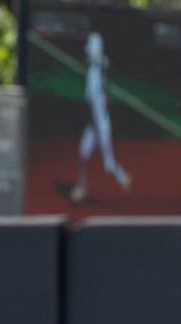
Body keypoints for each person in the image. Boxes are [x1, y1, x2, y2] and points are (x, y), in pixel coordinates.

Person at [68, 32, 131, 204]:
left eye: (91, 47)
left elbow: (105, 65)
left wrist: (99, 60)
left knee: (108, 164)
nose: (88, 50)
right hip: (92, 123)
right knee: (83, 154)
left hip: (101, 123)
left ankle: (123, 177)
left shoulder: (101, 66)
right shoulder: (91, 70)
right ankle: (81, 188)